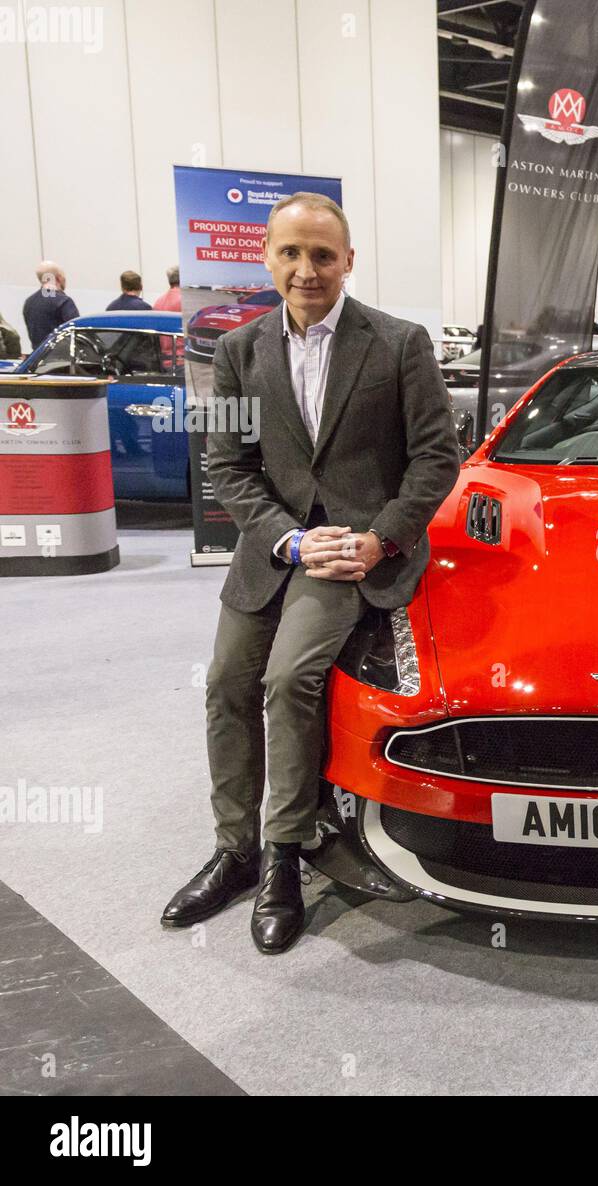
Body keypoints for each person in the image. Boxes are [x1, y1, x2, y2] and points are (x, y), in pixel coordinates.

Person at [159, 192, 462, 954]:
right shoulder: (238, 351)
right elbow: (228, 466)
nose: (306, 269)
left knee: (288, 679)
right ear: (266, 258)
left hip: (355, 554)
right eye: (290, 253)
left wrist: (379, 539)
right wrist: (290, 541)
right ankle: (236, 850)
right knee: (226, 681)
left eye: (322, 255)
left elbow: (436, 458)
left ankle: (285, 856)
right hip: (279, 552)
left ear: (348, 261)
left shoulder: (399, 343)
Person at [22, 261, 79, 349]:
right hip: (61, 358)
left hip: (38, 358)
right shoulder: (64, 302)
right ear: (59, 278)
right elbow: (77, 332)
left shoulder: (29, 302)